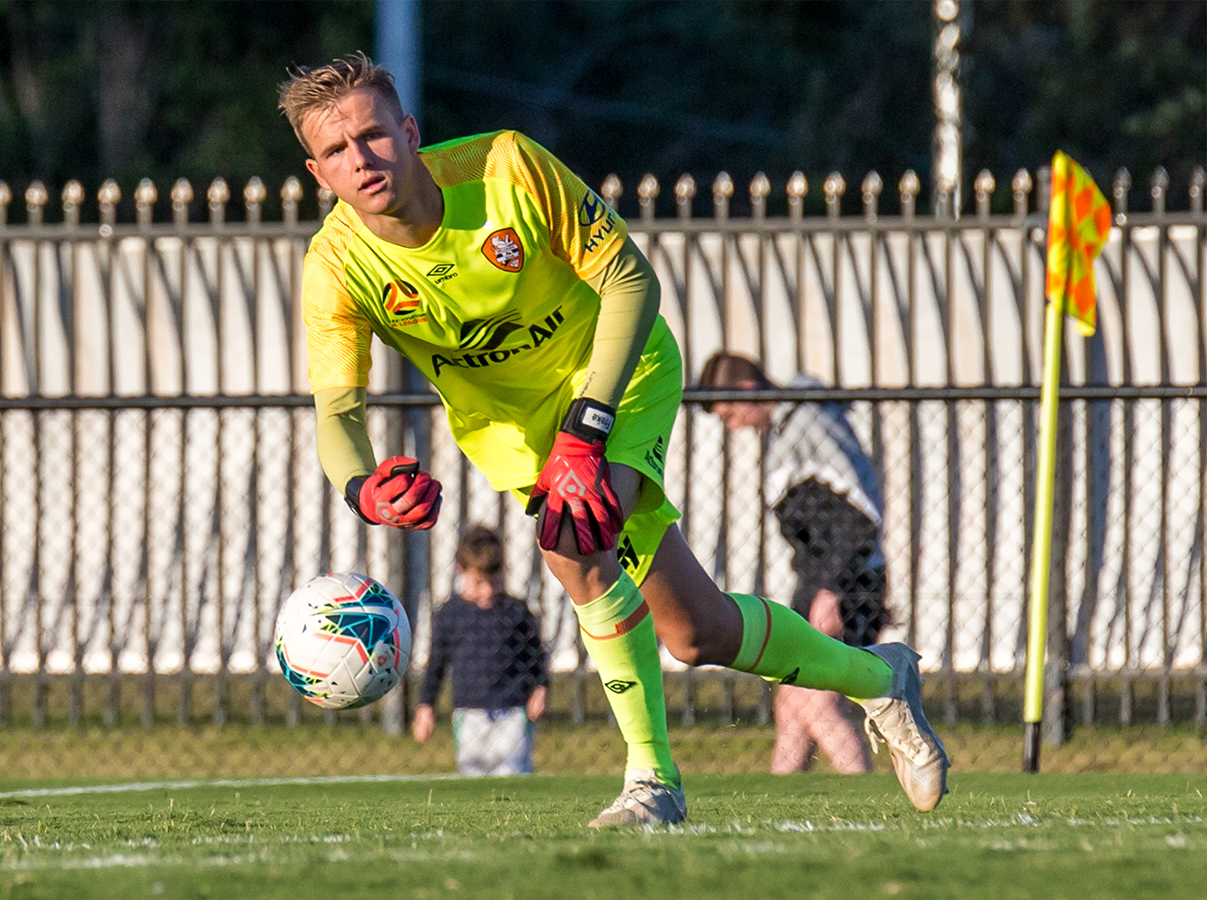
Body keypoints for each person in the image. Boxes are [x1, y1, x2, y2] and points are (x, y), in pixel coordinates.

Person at [278, 53, 947, 827]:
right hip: (519, 436)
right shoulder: (335, 266)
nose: (360, 159)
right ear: (316, 171)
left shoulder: (505, 167)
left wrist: (588, 427)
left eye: (372, 134)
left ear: (410, 130)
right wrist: (363, 488)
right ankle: (877, 678)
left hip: (618, 377)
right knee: (695, 633)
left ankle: (652, 783)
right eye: (336, 151)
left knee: (572, 538)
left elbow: (631, 280)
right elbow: (337, 412)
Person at [699, 352, 891, 775]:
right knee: (791, 705)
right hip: (820, 579)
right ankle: (777, 800)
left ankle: (869, 793)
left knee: (815, 701)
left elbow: (856, 512)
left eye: (730, 414)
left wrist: (832, 590)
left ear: (747, 391)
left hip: (844, 582)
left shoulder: (810, 423)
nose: (732, 427)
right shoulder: (790, 429)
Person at [413, 526, 549, 775]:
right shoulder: (450, 614)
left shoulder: (516, 611)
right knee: (472, 776)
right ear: (460, 571)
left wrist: (541, 688)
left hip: (513, 711)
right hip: (469, 713)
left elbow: (536, 656)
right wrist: (426, 706)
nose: (487, 592)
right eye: (478, 583)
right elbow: (436, 664)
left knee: (513, 774)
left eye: (494, 582)